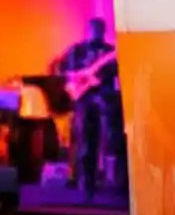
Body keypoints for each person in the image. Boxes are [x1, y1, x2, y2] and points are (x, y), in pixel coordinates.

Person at [53, 17, 124, 200]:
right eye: (93, 28)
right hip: (83, 100)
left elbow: (120, 73)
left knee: (111, 141)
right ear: (87, 30)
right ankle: (84, 182)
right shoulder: (77, 50)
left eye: (99, 29)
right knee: (85, 142)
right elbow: (59, 69)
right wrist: (76, 78)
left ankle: (114, 182)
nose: (96, 32)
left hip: (105, 100)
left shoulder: (110, 52)